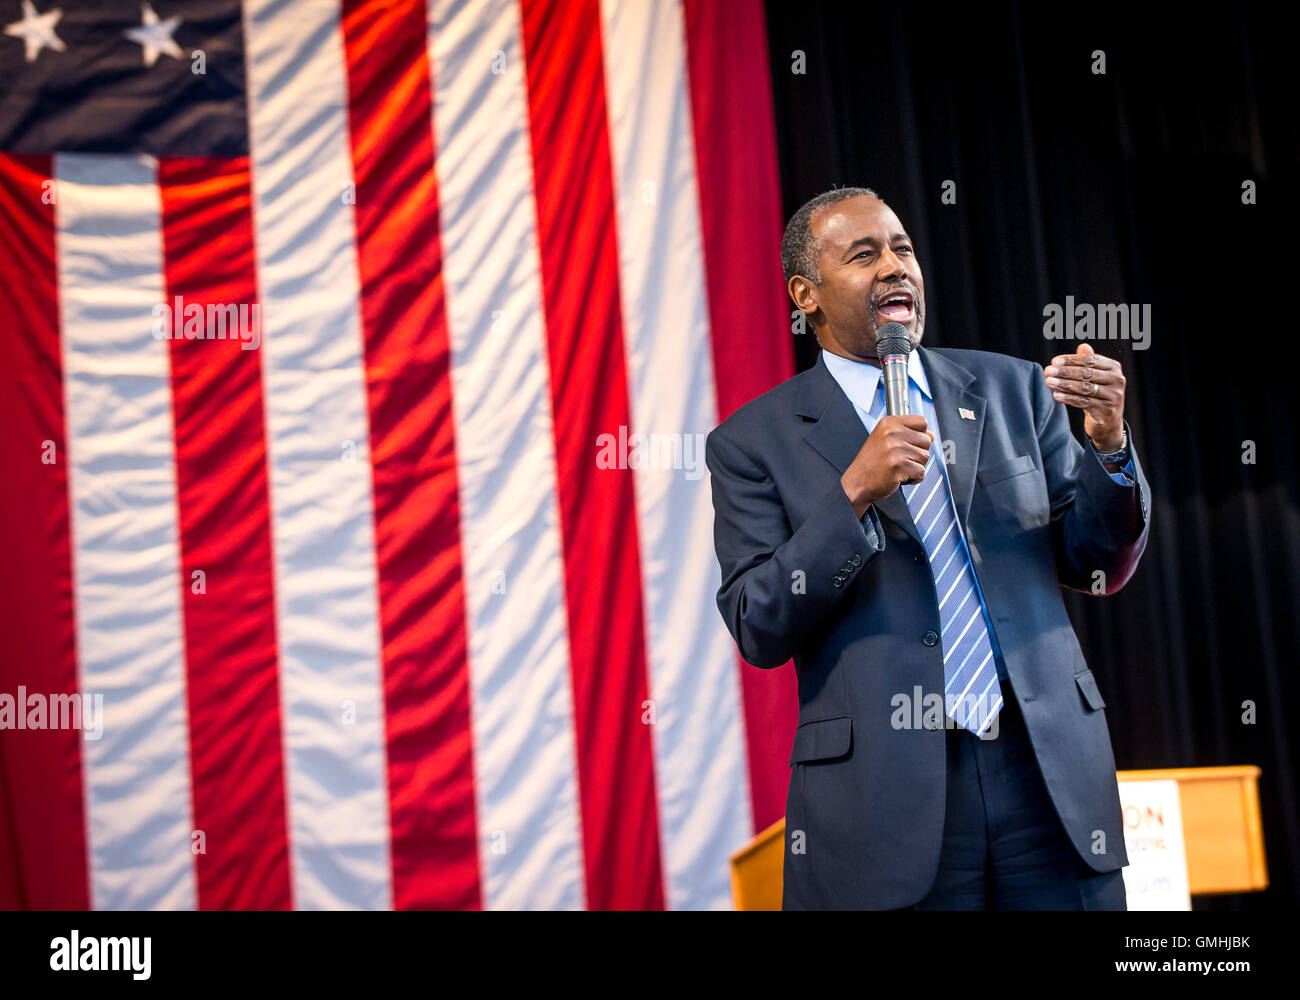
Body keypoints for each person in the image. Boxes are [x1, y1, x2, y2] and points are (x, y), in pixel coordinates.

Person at [706, 187, 1151, 910]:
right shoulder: (753, 443)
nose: (895, 268)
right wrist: (851, 496)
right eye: (864, 254)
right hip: (884, 802)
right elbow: (757, 622)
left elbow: (1093, 564)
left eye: (903, 248)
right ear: (806, 295)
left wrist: (1108, 446)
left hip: (1043, 775)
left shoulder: (1008, 388)